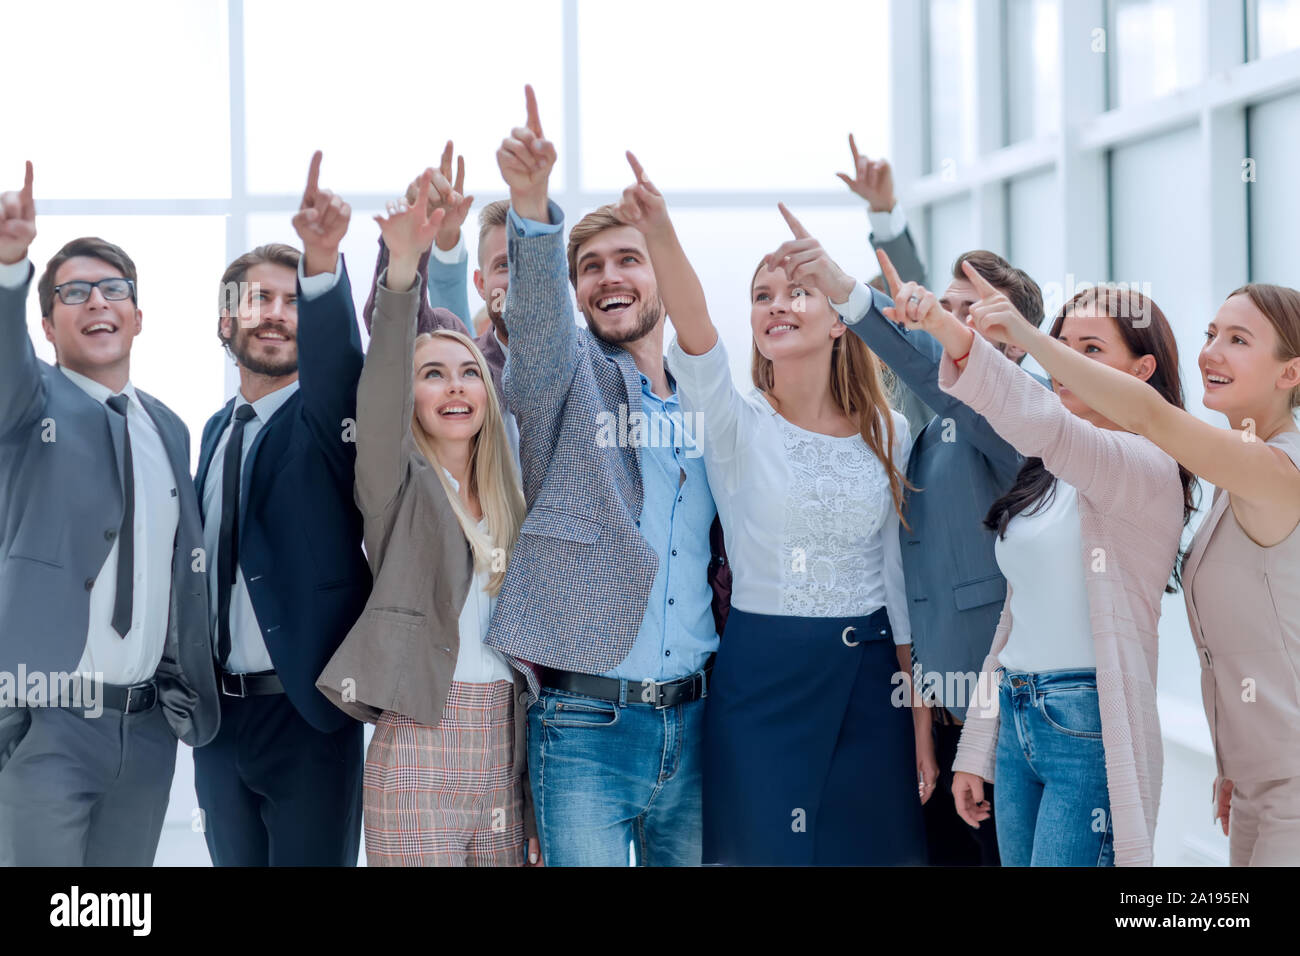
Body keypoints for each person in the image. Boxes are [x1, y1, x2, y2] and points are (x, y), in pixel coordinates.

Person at [615, 152, 931, 865]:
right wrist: (659, 231)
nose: (779, 305)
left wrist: (915, 720)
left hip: (870, 677)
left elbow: (899, 582)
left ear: (842, 319)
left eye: (800, 292)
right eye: (763, 296)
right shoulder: (733, 424)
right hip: (761, 684)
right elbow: (694, 332)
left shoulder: (892, 434)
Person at [973, 279, 1300, 866]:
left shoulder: (1276, 470)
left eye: (1239, 340)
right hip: (1258, 782)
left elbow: (1148, 414)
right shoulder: (1236, 478)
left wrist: (1024, 339)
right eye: (1211, 335)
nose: (1211, 352)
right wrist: (1234, 761)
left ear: (1290, 373)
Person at [482, 87, 723, 867]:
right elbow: (544, 319)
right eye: (591, 268)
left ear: (663, 277)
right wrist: (531, 207)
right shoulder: (571, 379)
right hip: (585, 726)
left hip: (698, 719)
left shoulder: (712, 401)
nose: (608, 277)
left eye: (628, 260)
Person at [884, 260, 1192, 866]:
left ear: (1142, 370)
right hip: (1019, 715)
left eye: (1091, 349)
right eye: (1062, 346)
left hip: (1085, 722)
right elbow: (1013, 624)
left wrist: (967, 334)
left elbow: (1038, 418)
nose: (1064, 364)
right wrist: (977, 748)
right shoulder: (1048, 477)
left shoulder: (1144, 465)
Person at [316, 172, 540, 867]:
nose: (453, 387)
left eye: (467, 372)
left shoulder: (512, 496)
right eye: (432, 373)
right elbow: (380, 380)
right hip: (419, 737)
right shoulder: (395, 484)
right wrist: (404, 270)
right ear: (410, 397)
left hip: (505, 743)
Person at [0, 162, 220, 864]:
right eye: (74, 292)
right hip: (46, 723)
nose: (97, 302)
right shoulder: (28, 404)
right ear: (46, 322)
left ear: (138, 314)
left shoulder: (169, 428)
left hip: (144, 727)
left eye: (113, 290)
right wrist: (10, 264)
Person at [193, 152, 370, 866]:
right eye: (255, 300)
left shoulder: (326, 419)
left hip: (308, 714)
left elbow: (338, 365)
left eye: (291, 299)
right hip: (219, 721)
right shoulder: (213, 431)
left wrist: (322, 260)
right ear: (224, 324)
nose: (273, 314)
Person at [856, 246, 1046, 867]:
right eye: (943, 306)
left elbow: (938, 372)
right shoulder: (932, 427)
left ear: (1014, 343)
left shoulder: (1014, 420)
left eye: (966, 313)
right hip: (940, 709)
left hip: (998, 712)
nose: (944, 321)